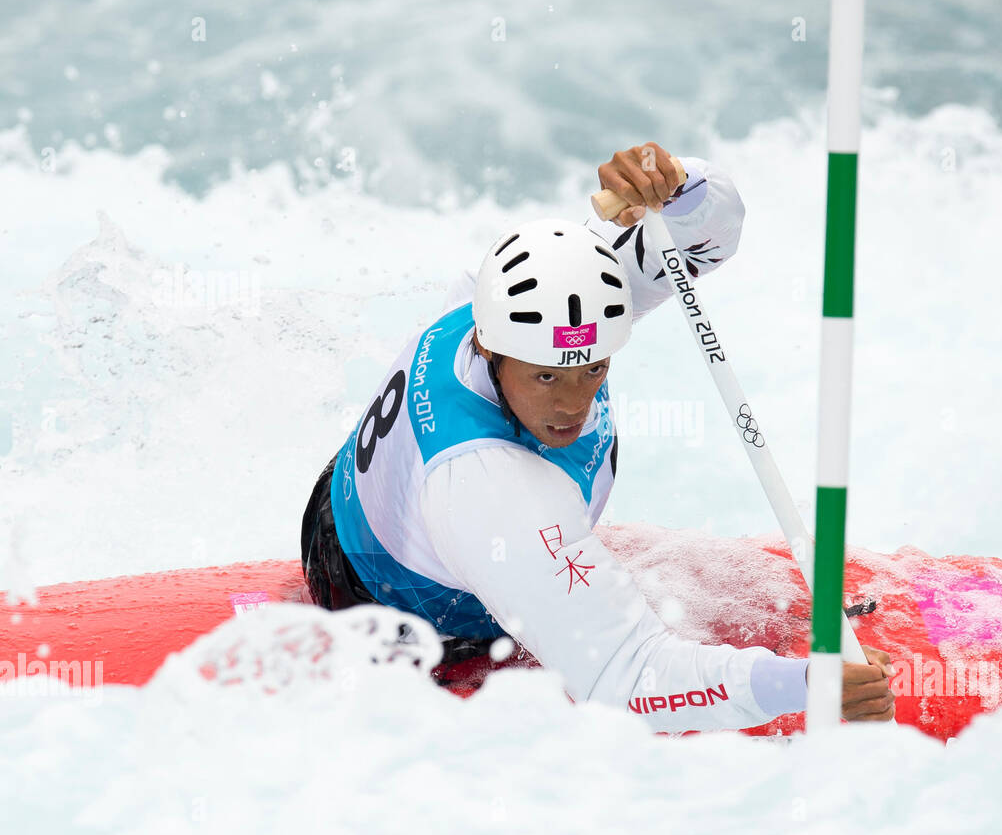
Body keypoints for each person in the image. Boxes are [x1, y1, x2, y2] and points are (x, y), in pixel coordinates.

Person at [300, 142, 895, 733]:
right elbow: (627, 680)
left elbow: (706, 238)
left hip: (377, 495)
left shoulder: (555, 299)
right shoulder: (488, 490)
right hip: (394, 609)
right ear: (489, 347)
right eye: (546, 377)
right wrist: (801, 685)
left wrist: (678, 184)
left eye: (593, 369)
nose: (574, 405)